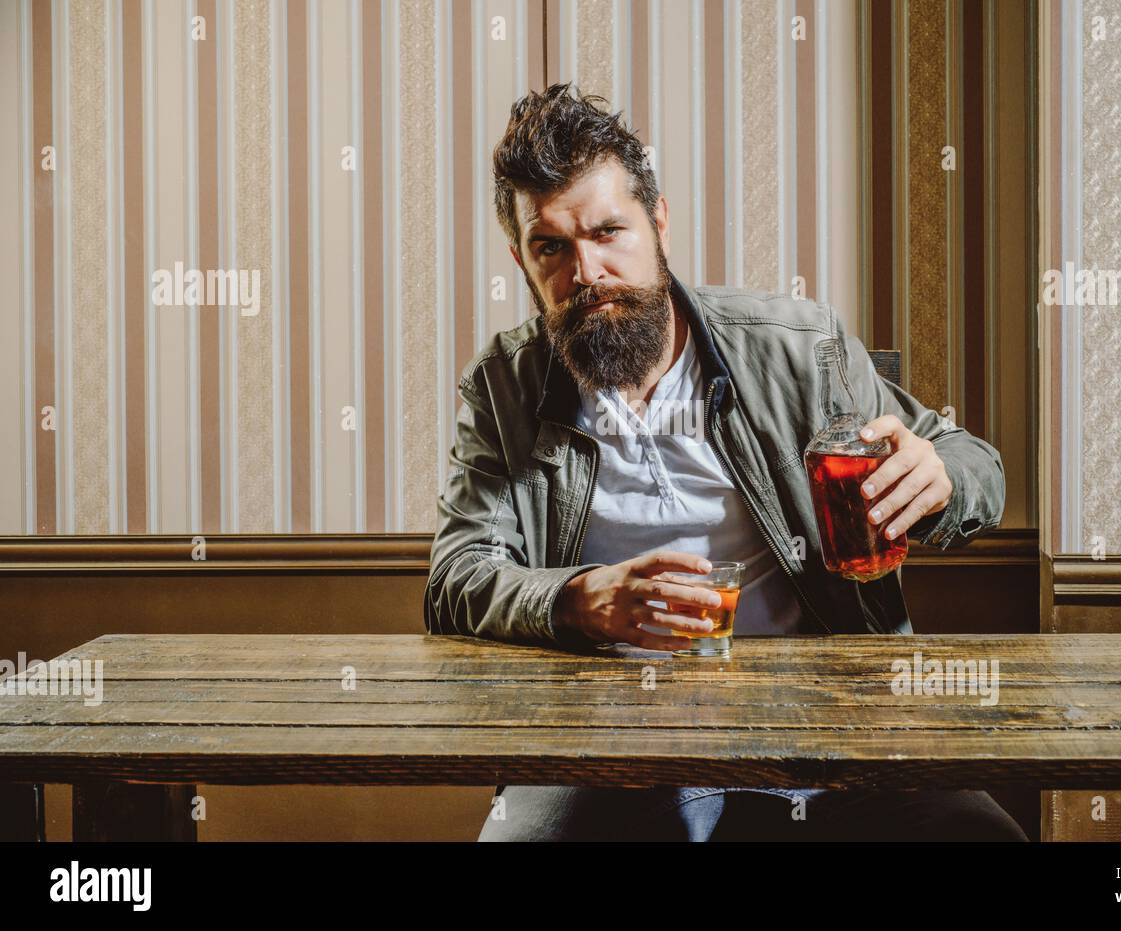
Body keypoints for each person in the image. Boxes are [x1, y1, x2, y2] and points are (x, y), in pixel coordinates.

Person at [425, 82, 1026, 842]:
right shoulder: (502, 385)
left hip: (828, 721)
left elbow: (975, 464)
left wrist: (941, 479)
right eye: (553, 246)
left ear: (659, 222)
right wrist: (582, 598)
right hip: (607, 738)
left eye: (610, 231)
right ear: (521, 257)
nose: (587, 271)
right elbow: (456, 575)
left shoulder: (799, 348)